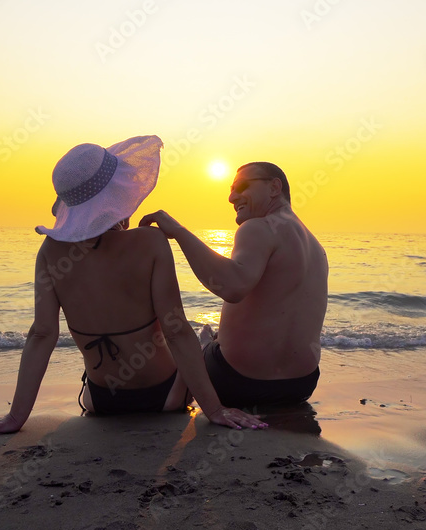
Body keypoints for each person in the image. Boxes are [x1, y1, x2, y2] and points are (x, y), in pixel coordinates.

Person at [0, 137, 266, 438]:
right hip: (165, 397)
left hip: (102, 402)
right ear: (117, 195)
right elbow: (175, 329)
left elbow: (42, 334)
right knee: (199, 338)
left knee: (97, 376)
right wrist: (215, 409)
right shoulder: (151, 242)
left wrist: (15, 418)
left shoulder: (50, 252)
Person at [139, 161, 328, 409]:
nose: (231, 197)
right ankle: (209, 343)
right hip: (300, 385)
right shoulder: (317, 248)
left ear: (274, 187)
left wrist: (178, 232)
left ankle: (178, 397)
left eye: (243, 187)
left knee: (189, 346)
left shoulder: (259, 227)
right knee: (212, 338)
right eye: (231, 190)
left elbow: (232, 287)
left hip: (237, 382)